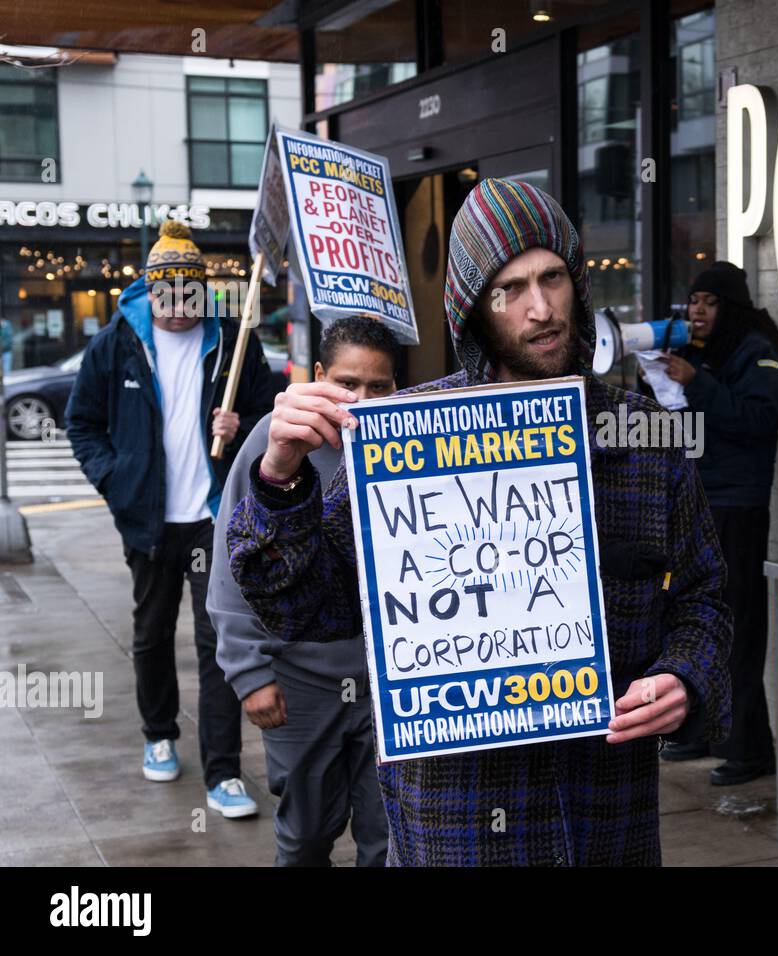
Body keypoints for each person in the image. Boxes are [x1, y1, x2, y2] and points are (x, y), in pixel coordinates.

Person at [226, 178, 732, 865]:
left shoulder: (642, 434)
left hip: (606, 813)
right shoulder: (409, 440)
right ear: (473, 307)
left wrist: (685, 675)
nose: (541, 308)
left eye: (553, 277)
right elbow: (309, 610)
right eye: (510, 289)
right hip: (456, 821)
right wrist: (278, 480)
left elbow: (705, 597)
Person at [66, 220, 278, 817]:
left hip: (214, 515)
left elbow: (268, 420)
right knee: (151, 633)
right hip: (149, 519)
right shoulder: (116, 344)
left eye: (192, 295)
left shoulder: (235, 343)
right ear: (150, 289)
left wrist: (240, 434)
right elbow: (82, 424)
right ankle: (159, 732)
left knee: (219, 644)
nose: (181, 308)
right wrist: (116, 482)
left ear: (205, 292)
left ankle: (223, 774)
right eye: (169, 295)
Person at [211, 315, 399, 865]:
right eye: (347, 384)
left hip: (392, 686)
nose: (360, 399)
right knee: (307, 835)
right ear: (318, 375)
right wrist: (249, 674)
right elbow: (230, 563)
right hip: (299, 682)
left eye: (378, 386)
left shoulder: (416, 439)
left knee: (388, 837)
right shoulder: (275, 441)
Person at [659, 260, 778, 786]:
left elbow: (756, 421)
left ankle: (748, 747)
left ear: (730, 308)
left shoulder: (757, 354)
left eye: (710, 302)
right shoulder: (702, 355)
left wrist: (700, 383)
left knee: (736, 628)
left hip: (738, 508)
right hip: (701, 502)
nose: (697, 311)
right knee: (694, 622)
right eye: (693, 301)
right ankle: (696, 730)